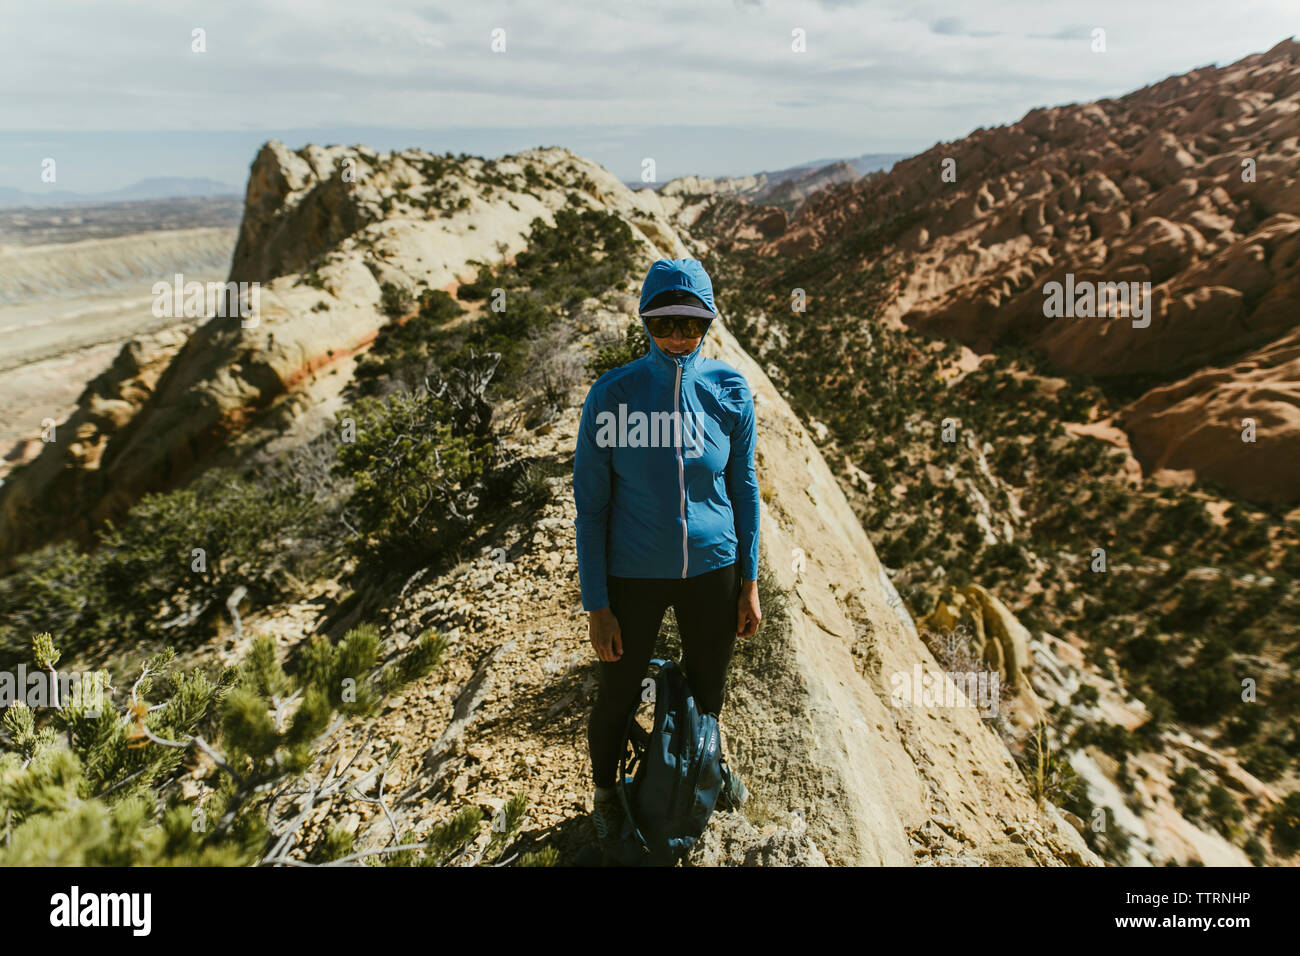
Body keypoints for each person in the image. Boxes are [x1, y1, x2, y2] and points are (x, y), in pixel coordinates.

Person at [572, 257, 761, 855]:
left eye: (691, 323)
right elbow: (592, 508)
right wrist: (597, 605)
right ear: (646, 322)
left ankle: (706, 767)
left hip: (714, 568)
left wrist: (750, 579)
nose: (678, 336)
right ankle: (606, 795)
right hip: (634, 573)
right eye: (664, 323)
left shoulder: (729, 390)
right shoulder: (613, 396)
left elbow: (744, 488)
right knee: (620, 692)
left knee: (709, 687)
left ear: (708, 323)